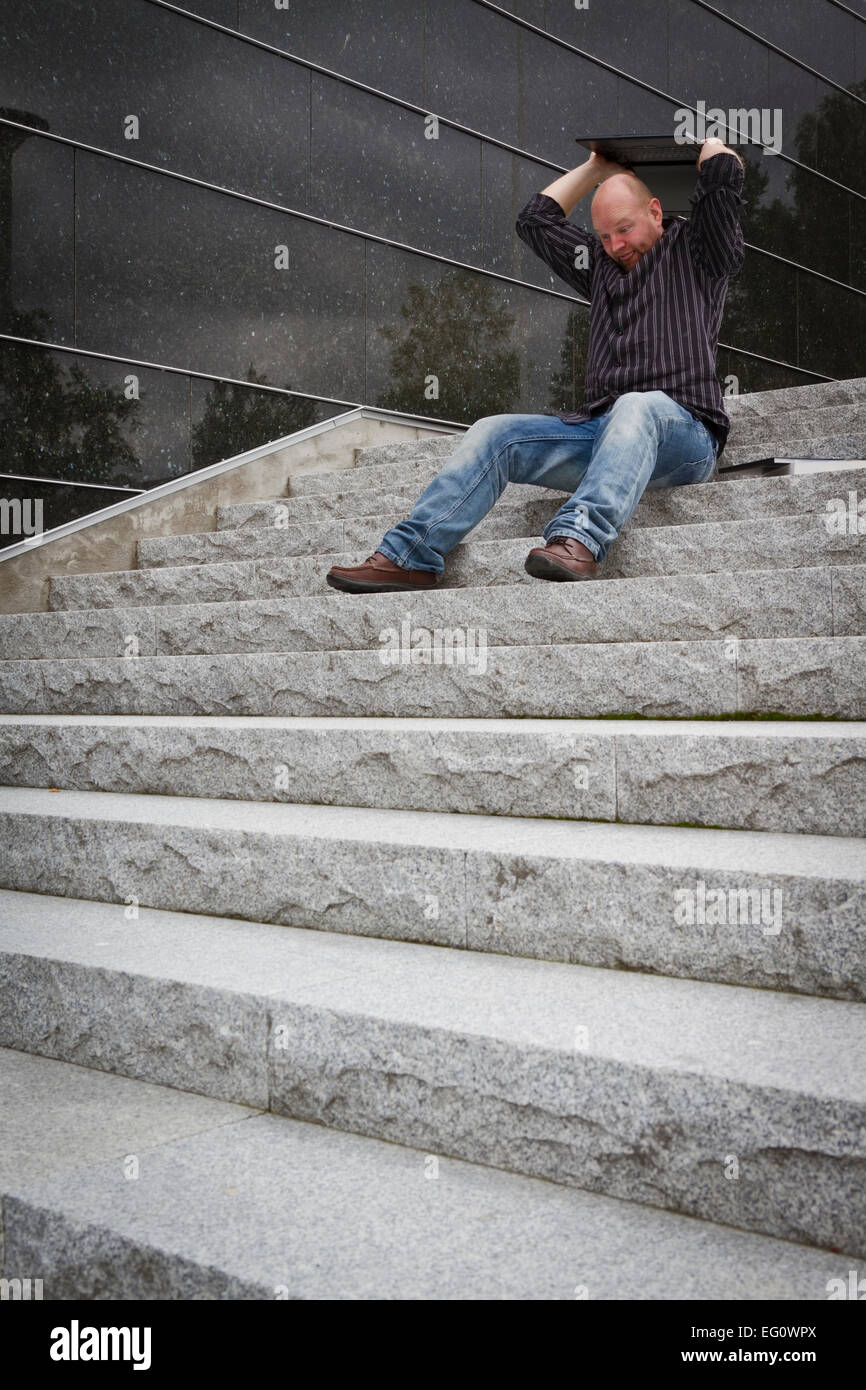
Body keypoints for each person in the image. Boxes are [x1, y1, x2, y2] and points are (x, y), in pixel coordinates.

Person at [327, 137, 745, 592]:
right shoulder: (600, 266)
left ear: (656, 213)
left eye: (623, 230)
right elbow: (536, 220)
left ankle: (579, 538)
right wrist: (595, 168)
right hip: (604, 435)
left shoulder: (699, 252)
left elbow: (723, 190)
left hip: (685, 436)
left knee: (636, 406)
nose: (615, 245)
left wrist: (715, 151)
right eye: (603, 236)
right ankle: (410, 556)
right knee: (495, 431)